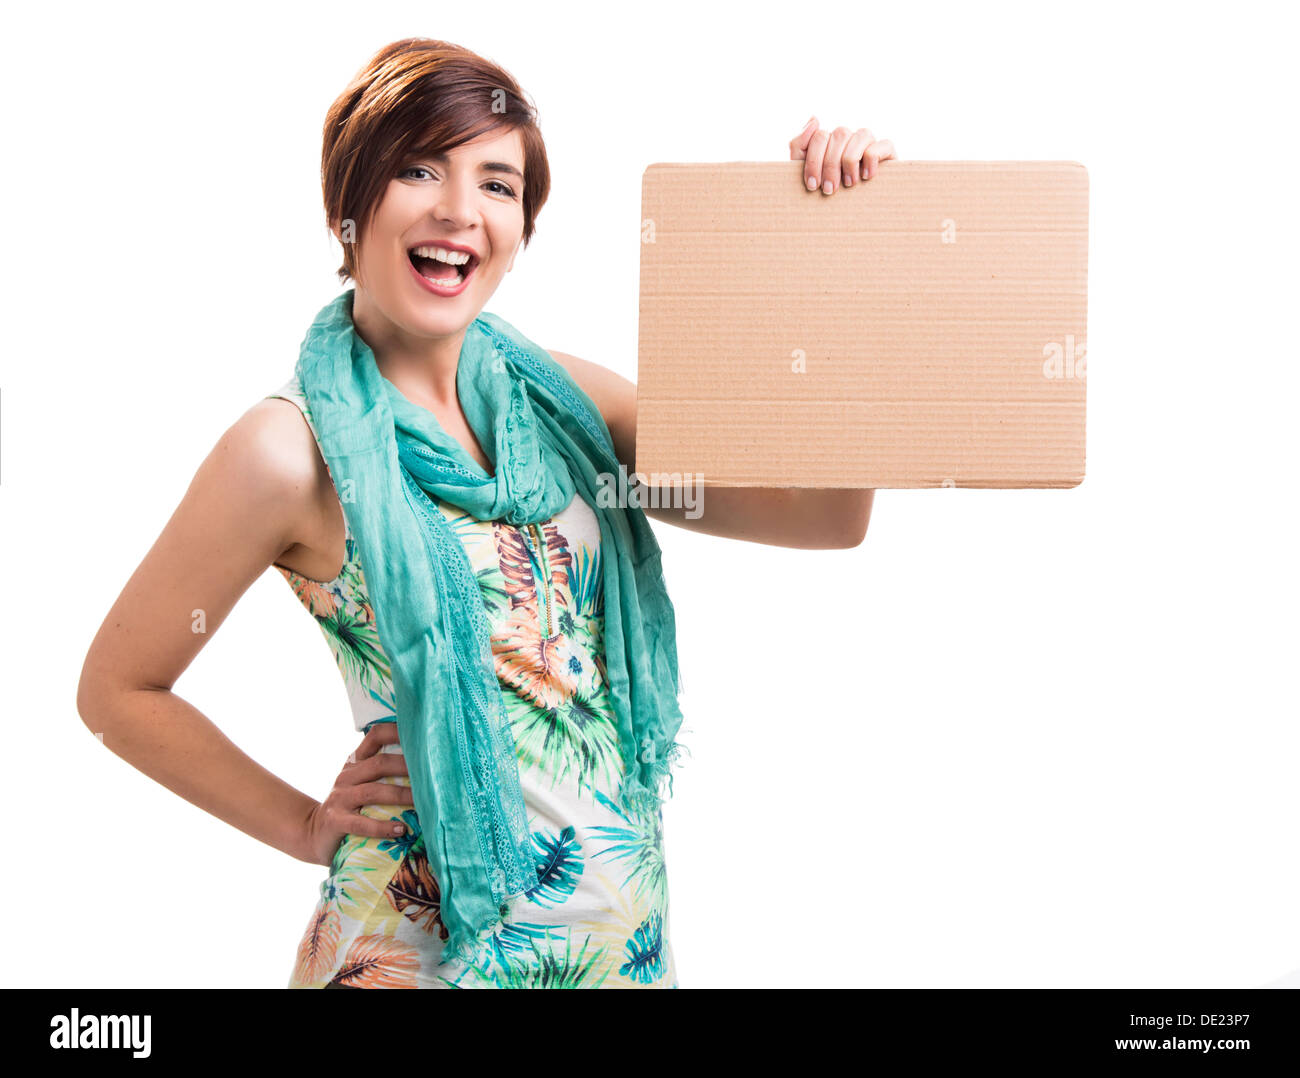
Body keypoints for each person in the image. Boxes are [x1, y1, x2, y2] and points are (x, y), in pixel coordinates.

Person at [76, 36, 889, 989]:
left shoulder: (572, 412)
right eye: (419, 168)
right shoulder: (288, 452)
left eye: (498, 184)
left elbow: (826, 517)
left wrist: (843, 252)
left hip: (619, 950)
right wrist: (304, 825)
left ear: (521, 227)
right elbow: (118, 691)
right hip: (421, 958)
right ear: (350, 202)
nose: (460, 210)